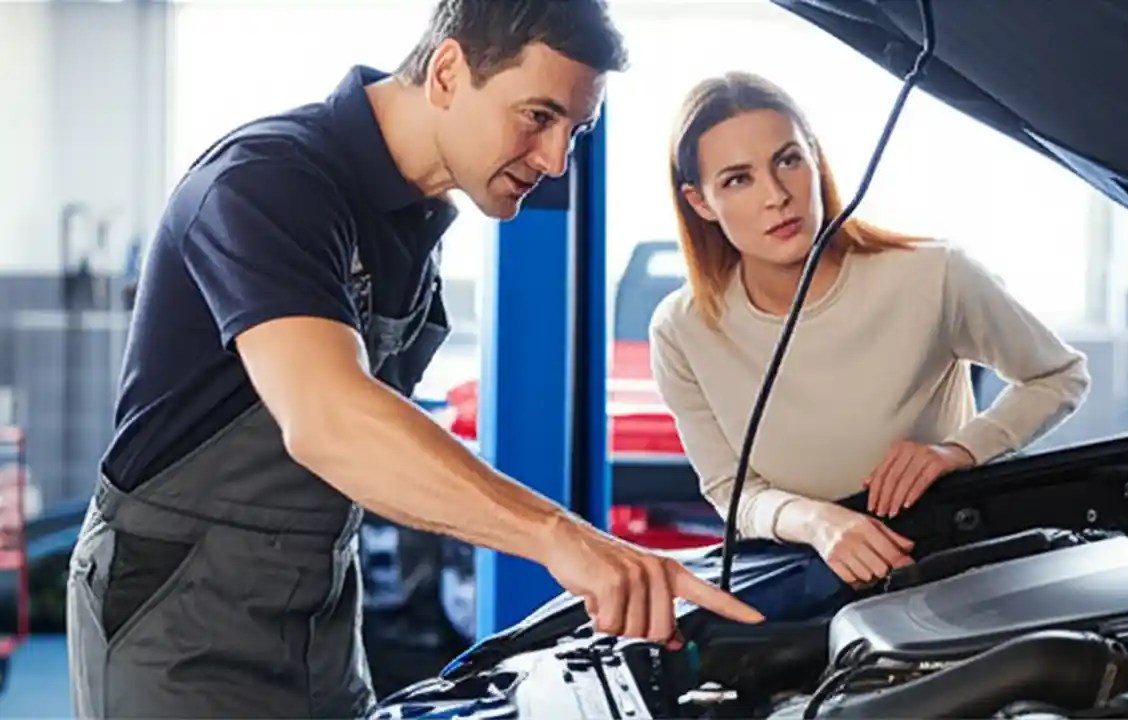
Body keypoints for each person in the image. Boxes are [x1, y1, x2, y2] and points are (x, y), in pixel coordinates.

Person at [65, 3, 763, 718]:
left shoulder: (414, 222)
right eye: (537, 117)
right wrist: (562, 537)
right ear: (449, 71)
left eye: (574, 132)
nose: (557, 161)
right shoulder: (268, 182)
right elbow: (330, 421)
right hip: (177, 614)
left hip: (317, 613)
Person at [650, 72, 1091, 586]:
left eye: (788, 160)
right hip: (800, 575)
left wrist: (961, 450)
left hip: (943, 565)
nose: (776, 195)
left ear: (815, 160)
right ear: (700, 203)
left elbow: (1059, 376)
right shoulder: (681, 330)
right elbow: (733, 491)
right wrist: (817, 521)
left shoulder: (934, 274)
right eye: (738, 179)